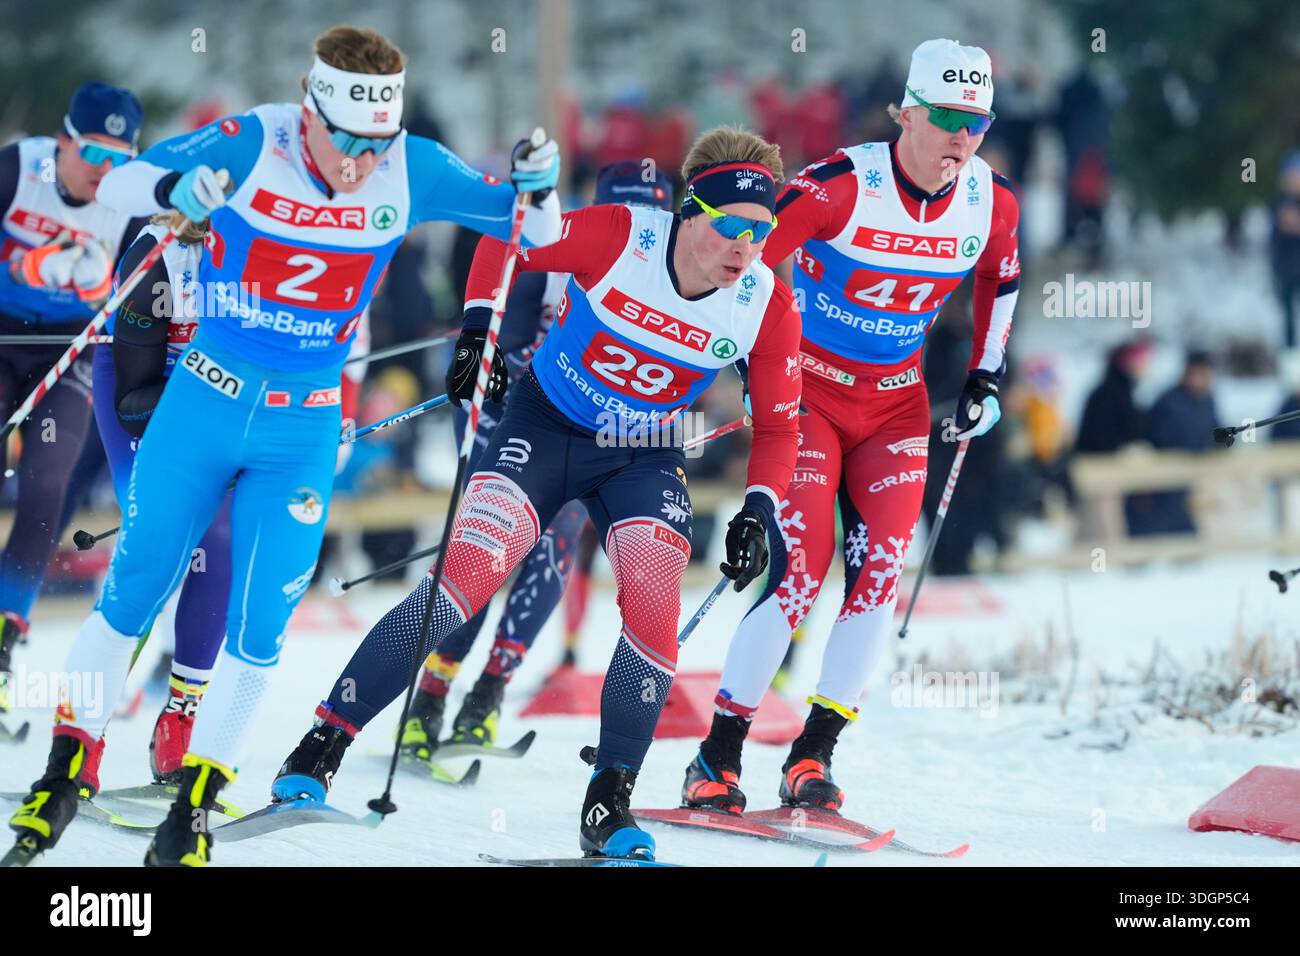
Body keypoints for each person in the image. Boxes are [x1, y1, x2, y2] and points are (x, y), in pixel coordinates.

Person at [7, 24, 561, 867]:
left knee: (261, 627)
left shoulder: (410, 165)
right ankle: (61, 770)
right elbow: (115, 180)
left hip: (300, 429)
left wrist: (540, 186)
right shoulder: (252, 140)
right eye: (346, 140)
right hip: (201, 407)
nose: (360, 163)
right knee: (129, 595)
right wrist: (177, 182)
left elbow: (535, 233)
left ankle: (194, 801)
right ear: (311, 110)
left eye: (376, 143)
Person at [272, 126, 803, 861]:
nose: (748, 245)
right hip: (545, 425)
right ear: (690, 212)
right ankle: (319, 746)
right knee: (463, 580)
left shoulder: (765, 303)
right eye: (733, 226)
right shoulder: (622, 236)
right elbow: (511, 237)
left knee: (653, 603)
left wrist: (759, 508)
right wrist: (477, 333)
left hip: (641, 453)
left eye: (763, 229)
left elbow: (781, 427)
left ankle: (607, 803)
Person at [682, 38, 1021, 815]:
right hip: (810, 397)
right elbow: (748, 257)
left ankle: (814, 753)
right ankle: (718, 754)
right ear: (906, 112)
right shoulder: (841, 186)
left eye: (978, 122)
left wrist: (985, 373)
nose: (962, 139)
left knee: (879, 578)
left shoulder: (990, 200)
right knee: (801, 572)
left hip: (897, 406)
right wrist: (739, 352)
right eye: (945, 119)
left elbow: (1001, 275)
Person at [402, 161, 677, 756]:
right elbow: (497, 330)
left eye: (658, 213)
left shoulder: (672, 271)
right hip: (513, 412)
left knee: (555, 544)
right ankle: (429, 694)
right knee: (488, 552)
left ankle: (488, 695)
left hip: (593, 429)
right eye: (633, 211)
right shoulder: (562, 250)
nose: (646, 226)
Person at [0, 82, 148, 719]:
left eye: (120, 157)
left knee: (46, 483)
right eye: (91, 151)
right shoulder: (16, 168)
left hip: (70, 354)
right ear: (62, 141)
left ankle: (5, 640)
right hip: (3, 335)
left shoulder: (132, 206)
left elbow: (145, 301)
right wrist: (25, 271)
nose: (103, 170)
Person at [1126, 350, 1220, 537]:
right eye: (1197, 373)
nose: (1201, 379)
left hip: (1191, 477)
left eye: (1205, 374)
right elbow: (1160, 437)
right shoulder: (1169, 401)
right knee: (1166, 529)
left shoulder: (1207, 400)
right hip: (1162, 480)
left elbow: (1215, 430)